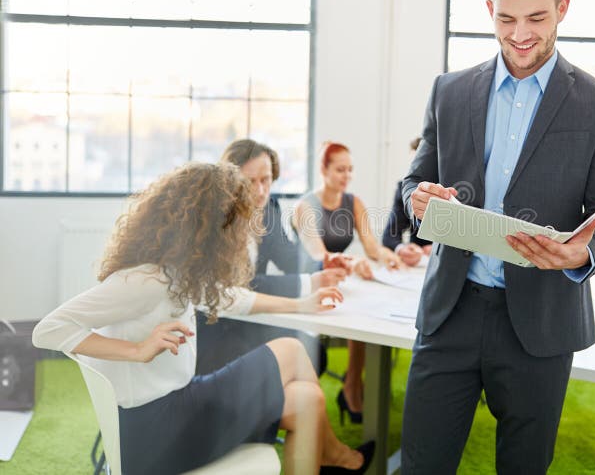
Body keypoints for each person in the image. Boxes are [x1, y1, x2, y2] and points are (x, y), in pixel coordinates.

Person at [401, 0, 595, 474]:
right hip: (450, 312)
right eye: (506, 19)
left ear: (562, 9)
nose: (521, 34)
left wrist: (582, 255)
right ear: (490, 11)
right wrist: (417, 199)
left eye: (536, 18)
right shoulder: (449, 91)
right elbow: (414, 183)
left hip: (541, 319)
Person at [32, 163, 374, 475]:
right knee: (292, 349)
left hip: (175, 411)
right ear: (211, 227)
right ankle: (337, 457)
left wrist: (301, 304)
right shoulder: (148, 280)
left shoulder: (178, 271)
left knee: (308, 401)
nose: (243, 233)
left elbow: (230, 298)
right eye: (238, 223)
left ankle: (334, 457)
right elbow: (49, 330)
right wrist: (136, 350)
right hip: (156, 434)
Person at [195, 139, 352, 376]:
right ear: (230, 182)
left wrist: (323, 265)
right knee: (299, 357)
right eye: (250, 182)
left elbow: (288, 257)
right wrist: (308, 283)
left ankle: (282, 397)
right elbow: (239, 285)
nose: (260, 191)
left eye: (266, 180)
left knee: (316, 353)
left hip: (255, 317)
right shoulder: (216, 221)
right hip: (221, 327)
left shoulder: (269, 208)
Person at [292, 141, 402, 423]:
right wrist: (353, 263)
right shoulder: (306, 207)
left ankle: (352, 384)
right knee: (354, 311)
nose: (347, 175)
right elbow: (319, 255)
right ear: (323, 170)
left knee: (364, 313)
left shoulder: (353, 203)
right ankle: (340, 391)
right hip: (310, 282)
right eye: (340, 169)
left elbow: (372, 247)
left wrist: (393, 256)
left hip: (339, 279)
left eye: (350, 169)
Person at [381, 137, 431, 267]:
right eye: (413, 166)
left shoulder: (452, 187)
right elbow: (389, 236)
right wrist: (402, 249)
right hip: (419, 263)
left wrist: (439, 248)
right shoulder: (404, 189)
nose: (415, 171)